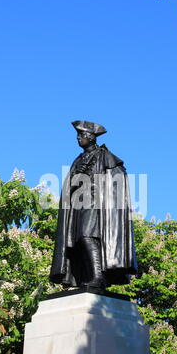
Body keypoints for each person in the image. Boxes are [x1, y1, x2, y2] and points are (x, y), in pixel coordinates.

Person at [49, 120, 137, 290]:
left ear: (90, 137)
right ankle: (89, 276)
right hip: (78, 204)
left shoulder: (105, 156)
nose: (78, 138)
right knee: (77, 241)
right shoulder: (78, 160)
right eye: (78, 135)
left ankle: (98, 276)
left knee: (86, 236)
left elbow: (117, 179)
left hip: (97, 204)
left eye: (81, 135)